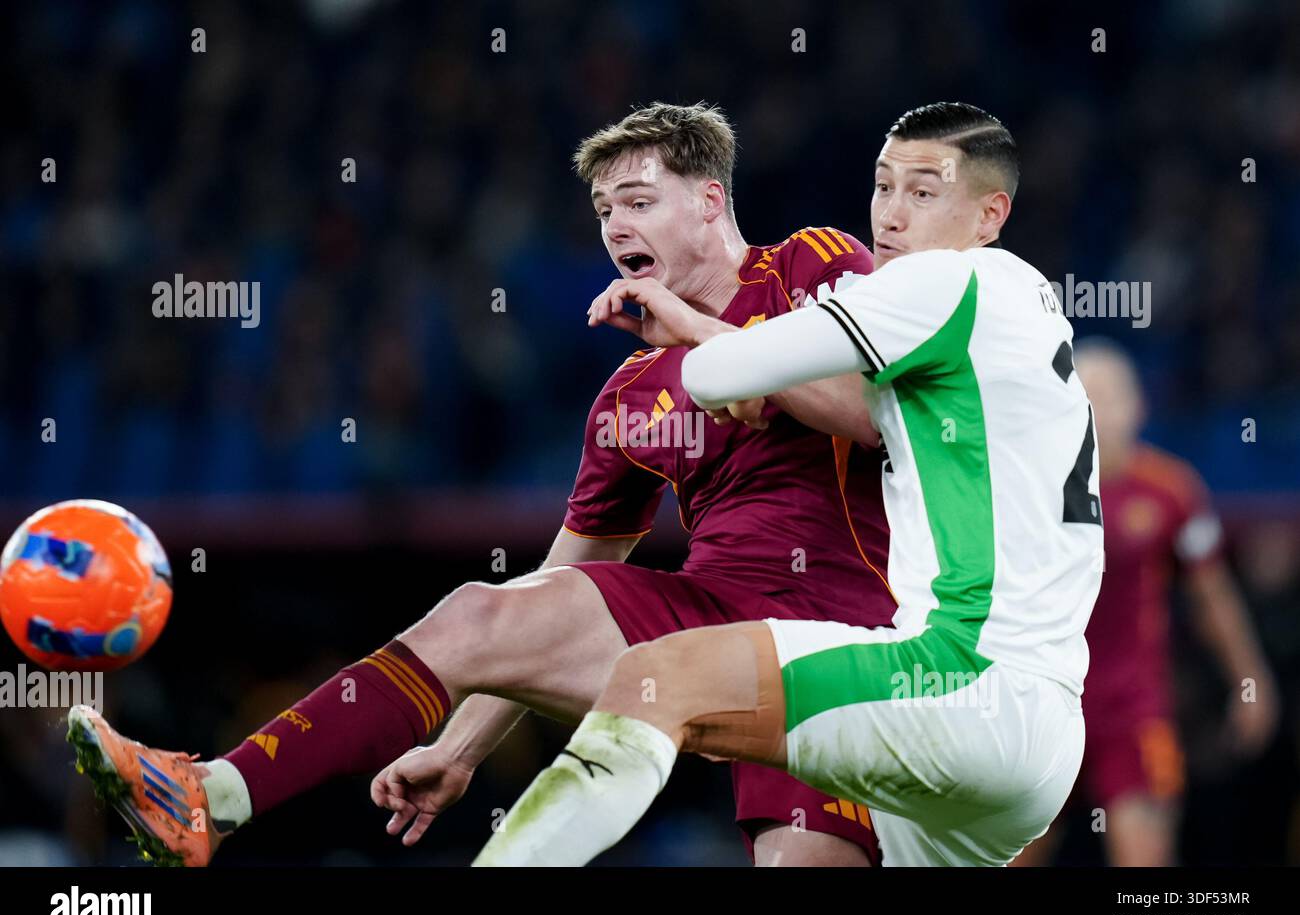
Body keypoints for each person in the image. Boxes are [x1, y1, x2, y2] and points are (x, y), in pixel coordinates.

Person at [67, 102, 897, 867]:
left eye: (639, 201)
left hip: (854, 638)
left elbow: (870, 413)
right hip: (714, 630)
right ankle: (213, 798)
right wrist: (458, 748)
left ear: (711, 201)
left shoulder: (810, 263)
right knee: (479, 610)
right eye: (604, 210)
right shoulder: (632, 397)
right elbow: (558, 582)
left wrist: (700, 337)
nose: (616, 227)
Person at [473, 101, 1105, 867]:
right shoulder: (1031, 312)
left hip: (964, 678)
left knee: (655, 676)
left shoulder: (934, 288)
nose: (891, 218)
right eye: (882, 188)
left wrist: (686, 326)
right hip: (1046, 734)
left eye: (924, 193)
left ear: (988, 214)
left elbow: (721, 370)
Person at [1013, 339, 1278, 866]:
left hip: (1134, 713)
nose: (1099, 407)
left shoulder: (1171, 491)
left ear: (1139, 405)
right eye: (1085, 392)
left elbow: (1212, 597)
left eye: (1111, 394)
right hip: (1044, 709)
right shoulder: (1027, 488)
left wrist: (1251, 681)